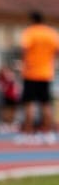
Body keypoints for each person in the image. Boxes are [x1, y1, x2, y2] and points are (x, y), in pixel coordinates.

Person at [18, 11, 59, 144]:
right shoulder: (51, 33)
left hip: (31, 73)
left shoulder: (30, 32)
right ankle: (48, 133)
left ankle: (29, 134)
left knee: (29, 103)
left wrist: (24, 62)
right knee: (46, 104)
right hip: (46, 73)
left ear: (32, 20)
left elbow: (24, 49)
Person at [0, 65, 20, 132]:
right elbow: (0, 85)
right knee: (6, 111)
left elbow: (15, 86)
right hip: (7, 96)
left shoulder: (12, 76)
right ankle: (5, 124)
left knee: (12, 110)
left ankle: (11, 124)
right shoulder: (2, 77)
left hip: (14, 97)